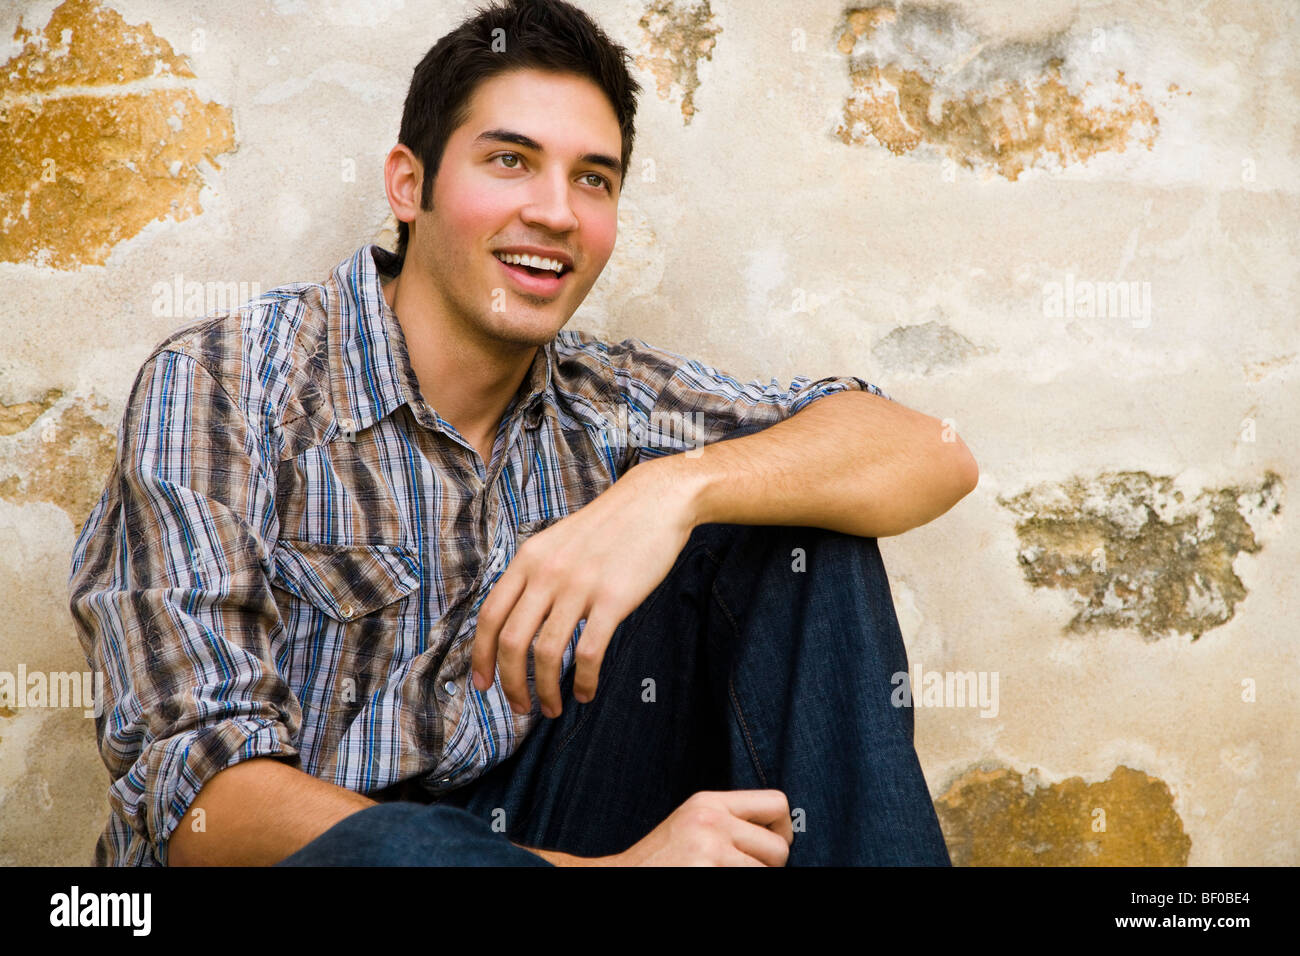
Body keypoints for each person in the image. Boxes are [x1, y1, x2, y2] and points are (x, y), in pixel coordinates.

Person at [67, 0, 977, 867]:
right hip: (330, 857)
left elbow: (930, 451)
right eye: (510, 160)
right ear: (409, 183)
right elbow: (202, 803)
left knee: (796, 532)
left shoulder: (609, 400)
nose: (555, 211)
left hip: (548, 806)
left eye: (593, 178)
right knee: (401, 846)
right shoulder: (225, 386)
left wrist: (670, 492)